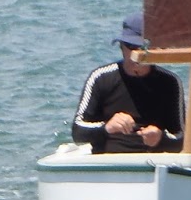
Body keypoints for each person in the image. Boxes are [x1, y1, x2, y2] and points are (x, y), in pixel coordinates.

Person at [71, 15, 185, 154]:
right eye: (131, 46)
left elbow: (182, 138)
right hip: (107, 162)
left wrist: (161, 138)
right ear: (121, 47)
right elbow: (77, 132)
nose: (136, 54)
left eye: (143, 48)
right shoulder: (100, 78)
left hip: (152, 163)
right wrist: (107, 127)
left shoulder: (170, 83)